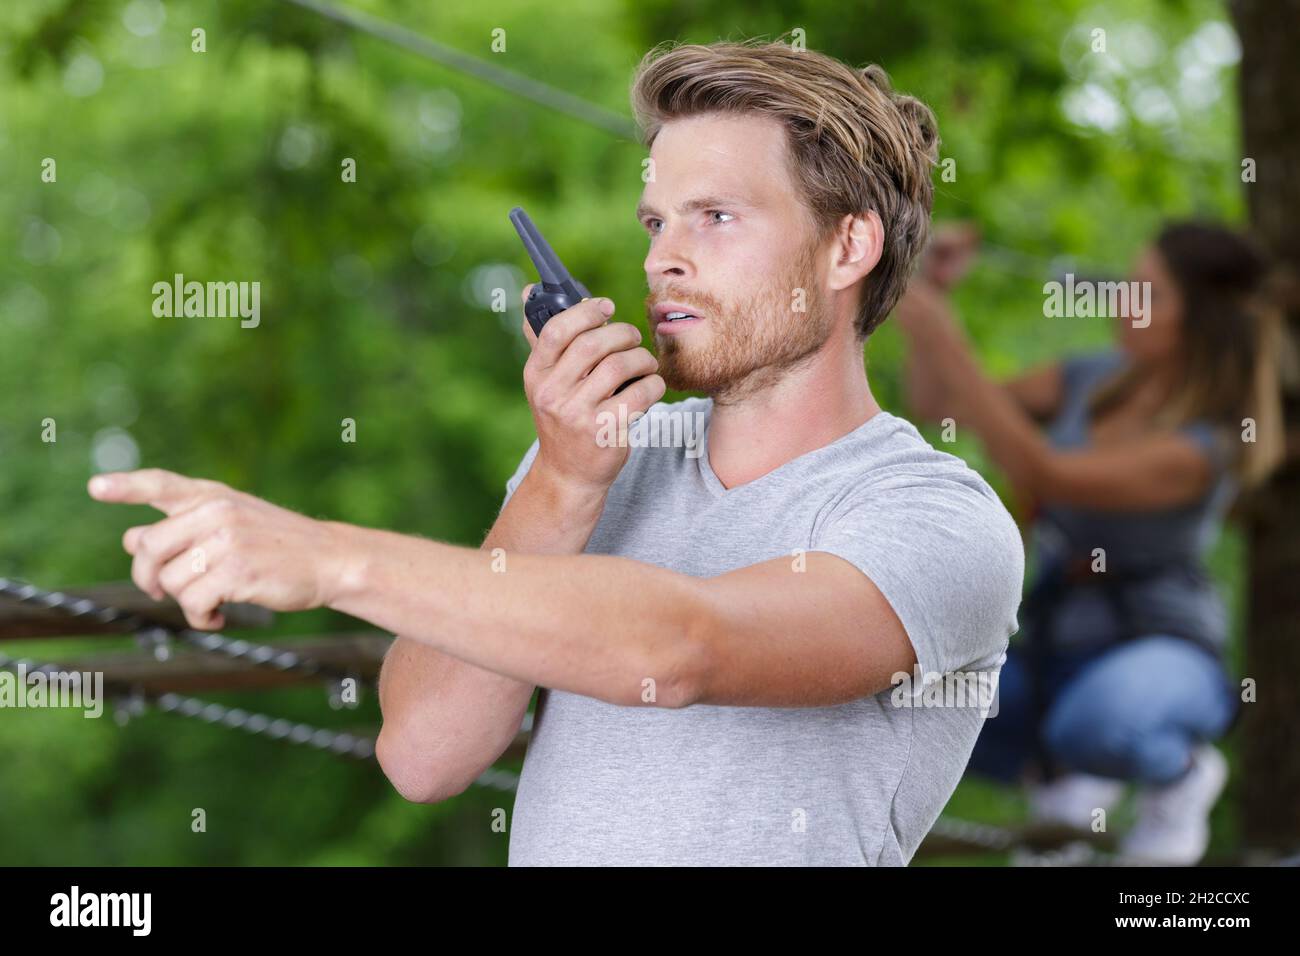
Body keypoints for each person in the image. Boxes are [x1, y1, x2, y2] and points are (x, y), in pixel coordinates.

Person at [87, 40, 1024, 866]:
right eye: (657, 221)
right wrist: (563, 483)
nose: (663, 257)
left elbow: (682, 648)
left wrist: (330, 556)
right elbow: (422, 756)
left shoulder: (936, 519)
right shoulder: (592, 461)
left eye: (717, 217)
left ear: (847, 245)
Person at [895, 221, 1285, 864]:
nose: (1124, 301)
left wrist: (945, 334)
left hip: (1160, 644)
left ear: (1201, 319)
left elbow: (1046, 473)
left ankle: (1180, 776)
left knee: (1105, 723)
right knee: (910, 697)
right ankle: (1061, 779)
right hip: (1056, 639)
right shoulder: (1090, 379)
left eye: (1149, 292)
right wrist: (934, 292)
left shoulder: (1207, 445)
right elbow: (941, 405)